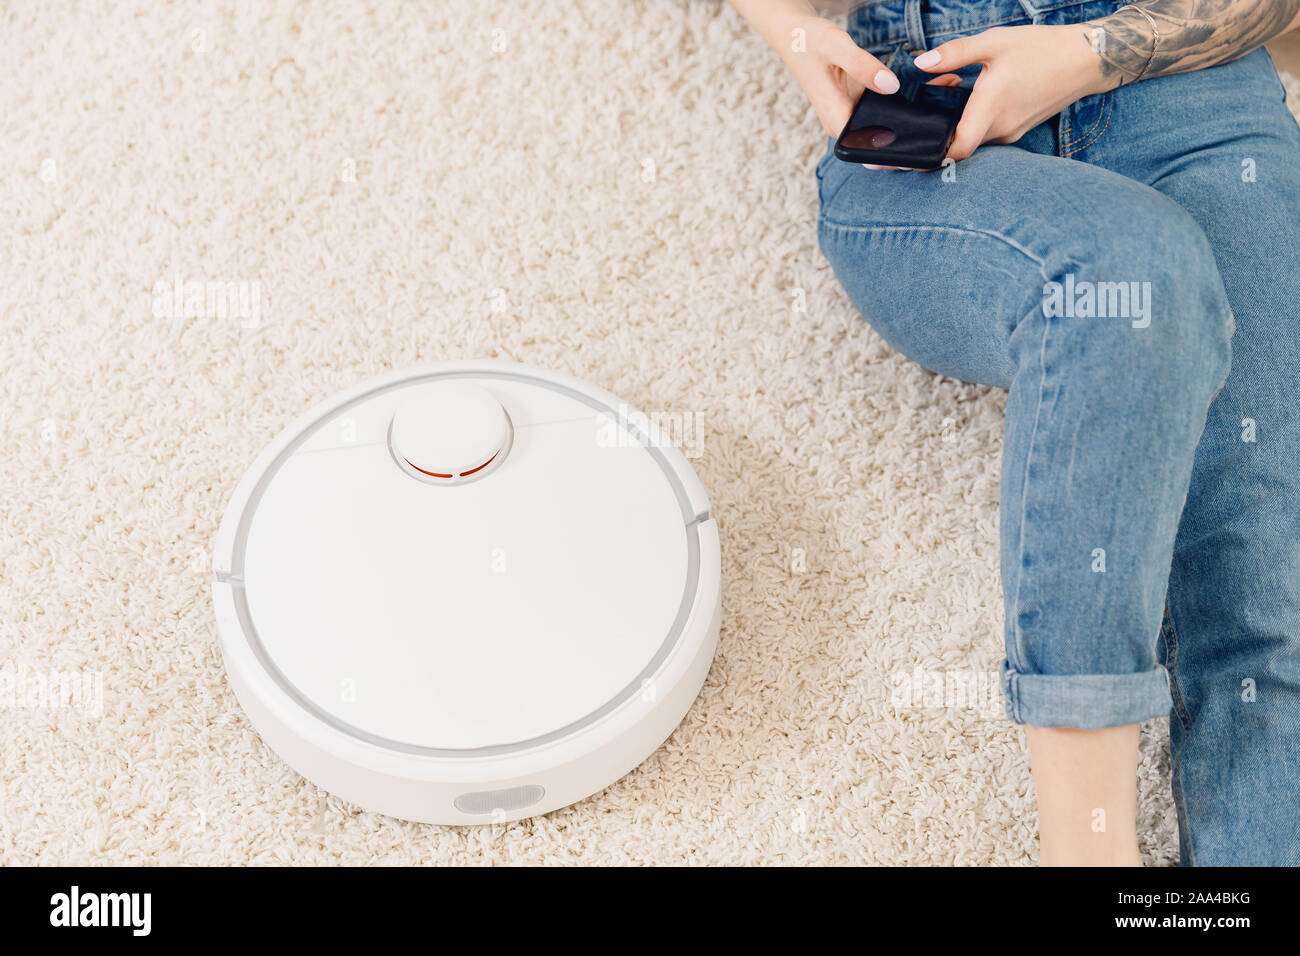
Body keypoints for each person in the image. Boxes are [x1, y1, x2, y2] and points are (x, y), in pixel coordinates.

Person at [728, 0, 1300, 866]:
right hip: (936, 102)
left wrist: (1087, 54)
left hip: (1199, 96)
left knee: (1263, 600)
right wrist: (796, 35)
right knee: (1127, 279)